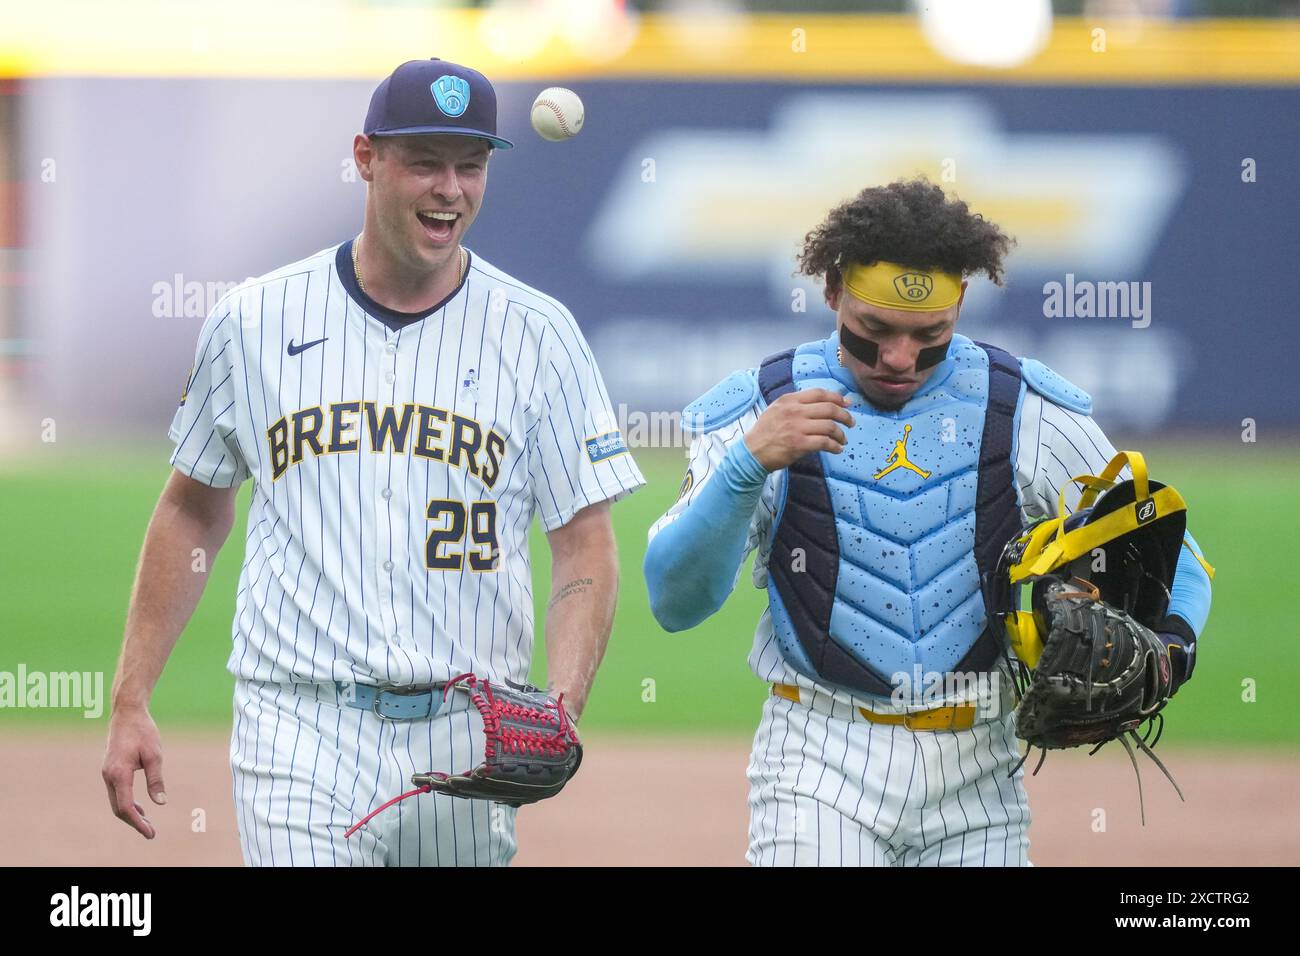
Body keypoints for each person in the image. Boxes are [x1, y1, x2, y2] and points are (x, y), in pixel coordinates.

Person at [102, 58, 644, 866]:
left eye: (471, 164)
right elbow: (193, 505)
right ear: (366, 157)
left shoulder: (542, 335)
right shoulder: (253, 321)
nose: (450, 188)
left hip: (470, 736)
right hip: (300, 726)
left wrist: (562, 703)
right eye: (425, 161)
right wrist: (131, 695)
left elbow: (584, 541)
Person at [643, 178, 1213, 866]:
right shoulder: (760, 409)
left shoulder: (1023, 407)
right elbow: (675, 602)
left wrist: (1174, 646)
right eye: (874, 330)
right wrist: (744, 468)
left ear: (962, 303)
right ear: (831, 292)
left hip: (979, 770)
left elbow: (1173, 555)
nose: (899, 359)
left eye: (930, 335)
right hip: (817, 757)